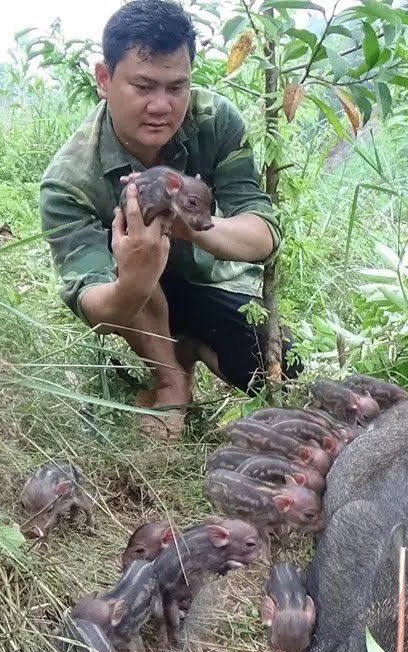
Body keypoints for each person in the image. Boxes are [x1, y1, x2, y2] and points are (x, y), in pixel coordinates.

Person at [38, 0, 302, 439]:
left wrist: (195, 226)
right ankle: (168, 378)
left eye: (176, 87)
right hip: (135, 298)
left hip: (207, 284)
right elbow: (95, 308)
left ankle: (190, 343)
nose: (161, 105)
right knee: (126, 253)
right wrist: (135, 277)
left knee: (280, 366)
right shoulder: (69, 183)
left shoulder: (215, 121)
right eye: (143, 86)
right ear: (105, 79)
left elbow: (263, 233)